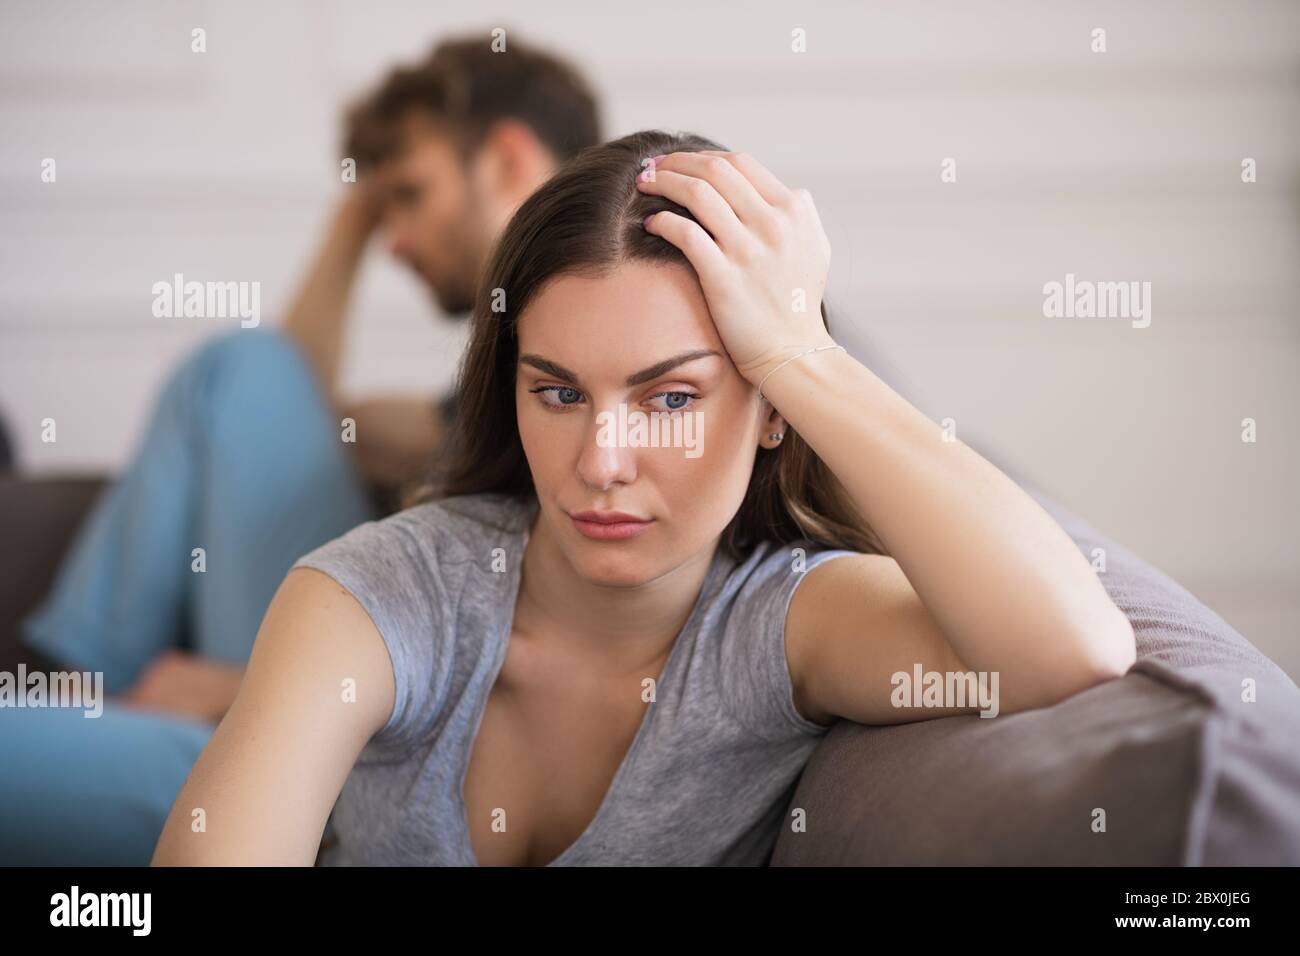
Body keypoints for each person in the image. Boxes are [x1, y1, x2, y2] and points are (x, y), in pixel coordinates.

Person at [151, 130, 1136, 867]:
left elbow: (1072, 648)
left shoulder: (781, 626)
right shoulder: (380, 595)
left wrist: (799, 350)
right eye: (559, 391)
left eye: (670, 396)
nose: (603, 461)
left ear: (768, 410)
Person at [0, 34, 602, 866]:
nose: (396, 239)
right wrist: (352, 218)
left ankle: (92, 709)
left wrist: (244, 691)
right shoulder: (502, 394)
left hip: (372, 750)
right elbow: (302, 404)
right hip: (321, 693)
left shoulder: (613, 379)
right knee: (241, 367)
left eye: (410, 195)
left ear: (505, 159)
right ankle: (83, 692)